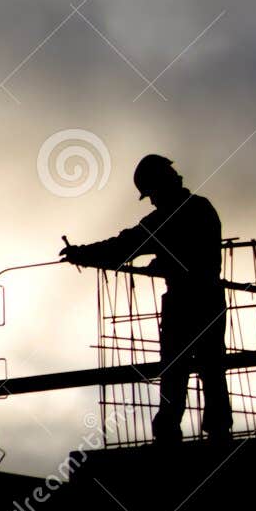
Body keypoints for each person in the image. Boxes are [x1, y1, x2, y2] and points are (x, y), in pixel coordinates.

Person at [61, 154, 232, 445]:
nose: (151, 201)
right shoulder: (202, 208)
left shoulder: (167, 217)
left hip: (184, 301)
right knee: (211, 366)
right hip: (210, 297)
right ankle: (218, 431)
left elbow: (124, 246)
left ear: (160, 187)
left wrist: (82, 254)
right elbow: (195, 253)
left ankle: (167, 435)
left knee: (175, 370)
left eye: (151, 194)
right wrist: (165, 262)